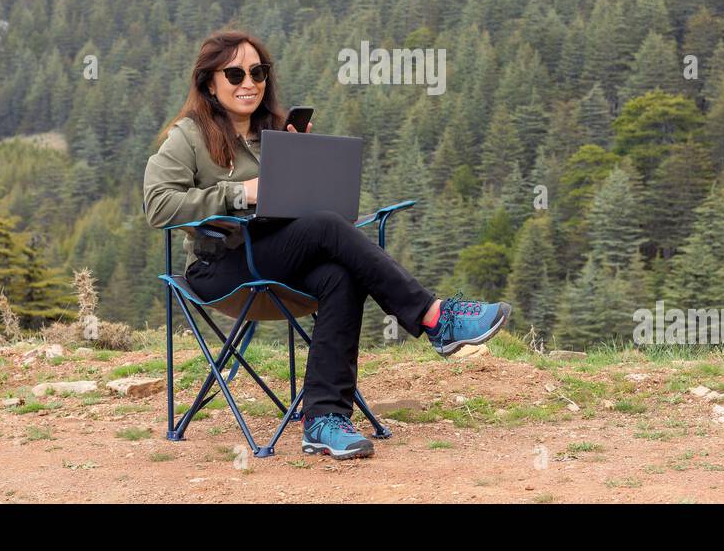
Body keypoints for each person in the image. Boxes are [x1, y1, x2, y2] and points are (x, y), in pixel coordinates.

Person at [143, 30, 511, 459]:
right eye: (235, 73)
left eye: (258, 71)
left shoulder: (275, 132)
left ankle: (324, 419)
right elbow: (158, 205)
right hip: (221, 265)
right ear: (210, 82)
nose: (249, 82)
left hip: (278, 253)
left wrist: (302, 163)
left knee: (340, 274)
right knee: (327, 229)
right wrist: (241, 192)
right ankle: (434, 317)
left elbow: (295, 205)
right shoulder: (187, 136)